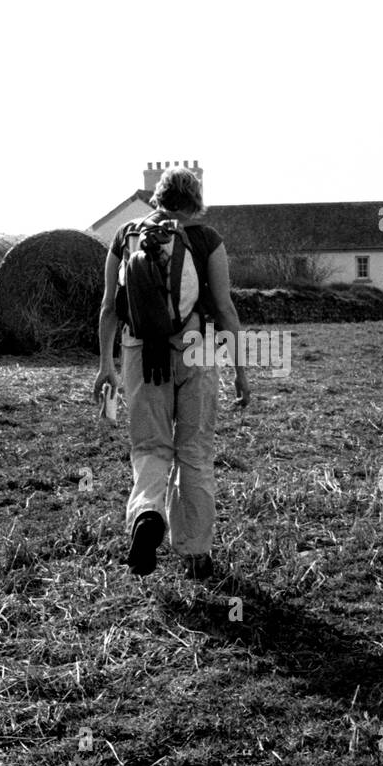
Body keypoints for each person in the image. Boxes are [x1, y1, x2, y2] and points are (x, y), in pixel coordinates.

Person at [94, 166, 250, 578]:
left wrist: (105, 366)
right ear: (196, 201)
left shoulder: (126, 234)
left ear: (157, 197)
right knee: (194, 451)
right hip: (194, 347)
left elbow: (110, 305)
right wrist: (240, 370)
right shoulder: (205, 239)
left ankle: (147, 516)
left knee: (150, 447)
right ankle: (196, 553)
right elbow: (225, 308)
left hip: (140, 351)